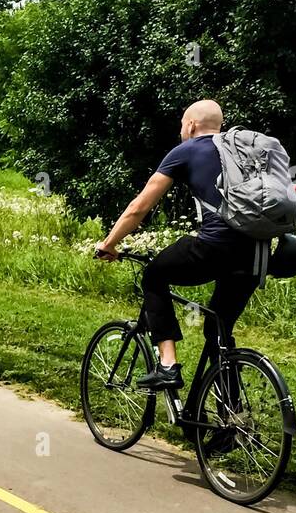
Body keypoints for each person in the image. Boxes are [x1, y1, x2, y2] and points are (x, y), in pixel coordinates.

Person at [95, 99, 259, 390]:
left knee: (155, 276)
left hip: (214, 248)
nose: (181, 129)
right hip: (255, 254)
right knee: (218, 332)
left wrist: (109, 243)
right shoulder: (244, 151)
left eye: (182, 124)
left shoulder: (186, 150)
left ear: (191, 125)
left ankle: (168, 366)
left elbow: (139, 207)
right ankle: (230, 417)